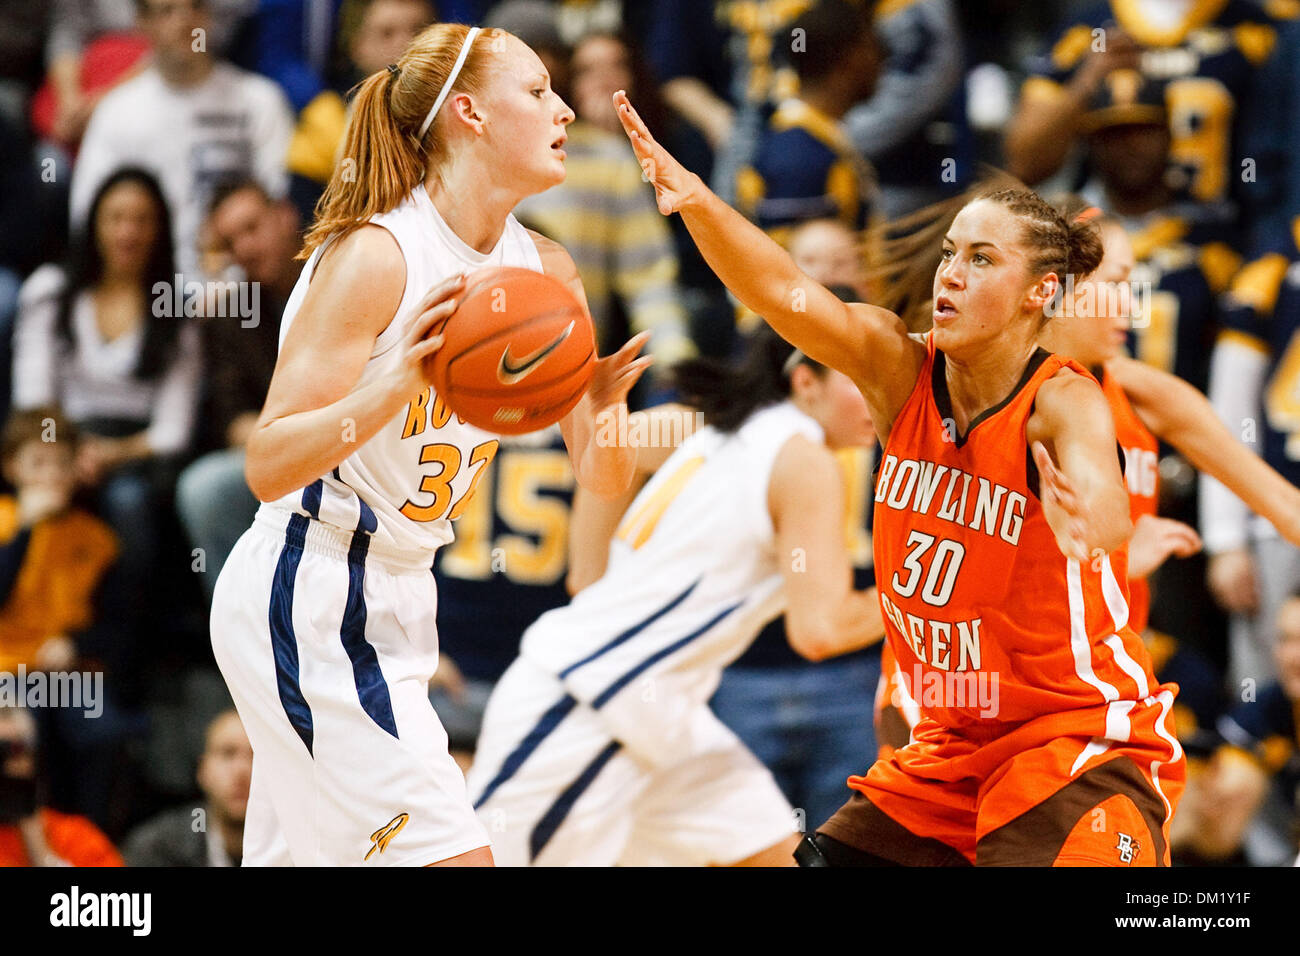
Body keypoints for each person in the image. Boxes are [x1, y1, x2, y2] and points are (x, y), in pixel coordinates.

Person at [617, 89, 1183, 866]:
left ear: (1038, 293)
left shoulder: (1062, 398)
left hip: (1072, 735)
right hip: (952, 740)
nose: (950, 273)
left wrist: (1087, 518)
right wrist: (698, 203)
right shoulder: (897, 366)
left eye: (982, 259)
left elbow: (1107, 505)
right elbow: (786, 294)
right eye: (951, 252)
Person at [209, 23, 650, 868]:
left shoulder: (546, 274)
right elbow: (266, 465)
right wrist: (396, 386)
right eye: (537, 91)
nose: (563, 109)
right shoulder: (380, 255)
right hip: (310, 587)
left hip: (405, 595)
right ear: (470, 113)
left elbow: (600, 473)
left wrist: (602, 408)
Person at [468, 326, 884, 866]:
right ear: (806, 381)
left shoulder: (711, 424)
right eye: (861, 376)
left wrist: (590, 572)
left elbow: (612, 443)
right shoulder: (803, 458)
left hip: (664, 716)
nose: (880, 392)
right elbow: (821, 630)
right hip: (588, 702)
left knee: (772, 857)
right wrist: (932, 597)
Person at [13, 166, 202, 700]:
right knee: (35, 494)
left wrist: (109, 455)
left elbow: (173, 426)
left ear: (160, 230)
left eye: (142, 220)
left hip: (137, 449)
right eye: (116, 217)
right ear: (94, 223)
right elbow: (33, 395)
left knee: (129, 504)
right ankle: (24, 649)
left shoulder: (174, 305)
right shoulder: (52, 289)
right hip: (56, 434)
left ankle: (119, 665)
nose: (128, 232)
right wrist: (65, 453)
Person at [69, 0, 294, 278]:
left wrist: (230, 282)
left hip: (243, 285)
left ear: (210, 15)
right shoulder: (116, 112)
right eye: (166, 11)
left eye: (195, 6)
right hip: (147, 286)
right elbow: (88, 215)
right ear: (142, 23)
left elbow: (279, 209)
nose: (184, 21)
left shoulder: (260, 101)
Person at [177, 178, 300, 600]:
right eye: (231, 242)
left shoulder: (339, 270)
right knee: (204, 488)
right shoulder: (233, 312)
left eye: (252, 228)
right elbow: (233, 421)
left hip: (361, 444)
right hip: (288, 457)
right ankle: (248, 644)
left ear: (284, 215)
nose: (244, 248)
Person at [123, 709, 252, 866]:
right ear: (203, 770)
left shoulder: (290, 846)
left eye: (256, 756)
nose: (242, 771)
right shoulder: (157, 849)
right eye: (227, 754)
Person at [0, 703, 123, 867]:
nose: (4, 765)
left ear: (34, 757)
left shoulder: (75, 837)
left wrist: (39, 850)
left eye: (13, 749)